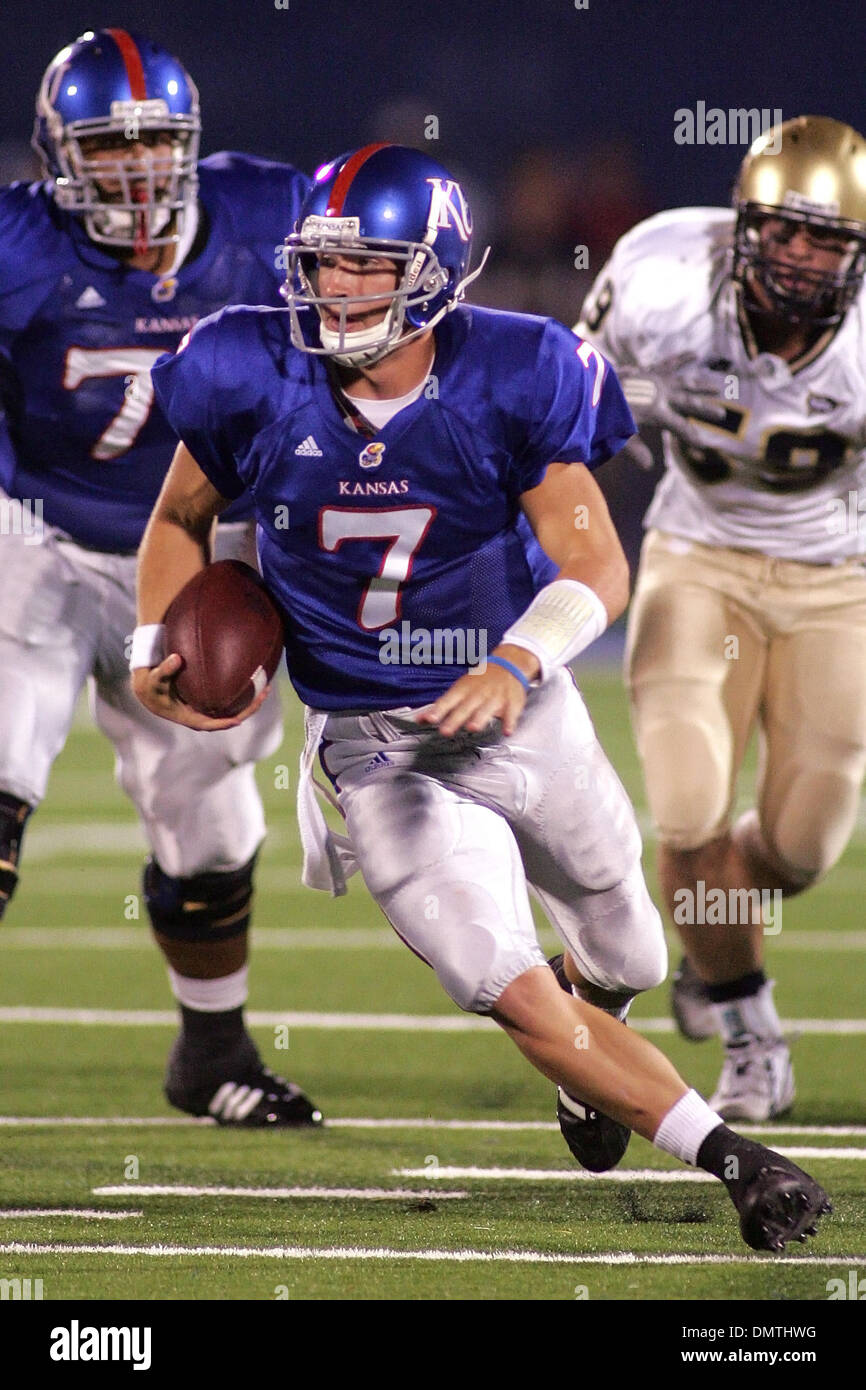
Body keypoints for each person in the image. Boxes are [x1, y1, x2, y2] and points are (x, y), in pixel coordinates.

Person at [134, 142, 831, 1250]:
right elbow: (177, 521)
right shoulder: (242, 368)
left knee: (632, 959)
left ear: (434, 270)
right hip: (380, 746)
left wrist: (513, 663)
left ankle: (587, 1067)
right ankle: (725, 1153)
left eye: (366, 265)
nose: (334, 287)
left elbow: (597, 563)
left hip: (522, 707)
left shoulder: (518, 368)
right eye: (321, 263)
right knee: (508, 986)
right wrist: (146, 646)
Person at [0, 28, 321, 1126]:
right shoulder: (18, 244)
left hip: (198, 552)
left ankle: (212, 1053)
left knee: (215, 824)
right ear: (57, 155)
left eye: (152, 144)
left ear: (189, 146)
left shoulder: (274, 217)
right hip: (36, 535)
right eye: (107, 148)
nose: (134, 172)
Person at [576, 114, 866, 1121]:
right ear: (741, 224)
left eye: (823, 239)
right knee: (688, 810)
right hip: (695, 556)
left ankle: (710, 940)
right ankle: (751, 1036)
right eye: (779, 231)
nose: (795, 255)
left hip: (839, 576)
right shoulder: (661, 273)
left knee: (798, 846)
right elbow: (571, 402)